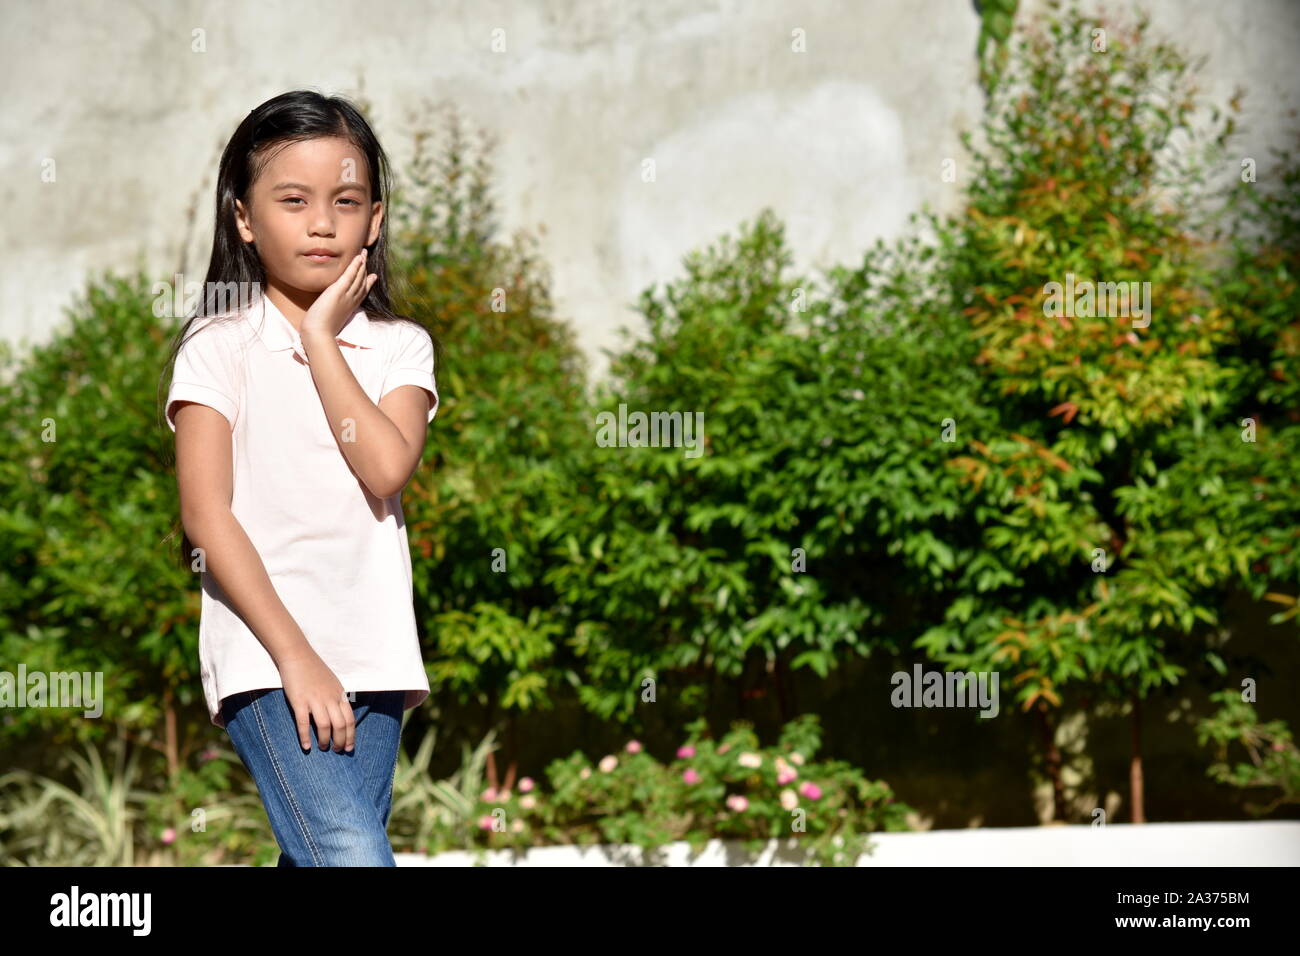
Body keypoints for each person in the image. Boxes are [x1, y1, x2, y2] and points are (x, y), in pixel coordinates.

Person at [162, 90, 439, 866]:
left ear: (374, 221)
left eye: (346, 202)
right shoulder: (218, 348)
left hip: (375, 654)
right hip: (268, 653)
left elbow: (384, 465)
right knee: (352, 854)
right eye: (294, 200)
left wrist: (321, 337)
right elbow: (206, 520)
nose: (322, 222)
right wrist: (296, 658)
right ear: (245, 218)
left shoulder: (398, 347)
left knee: (319, 856)